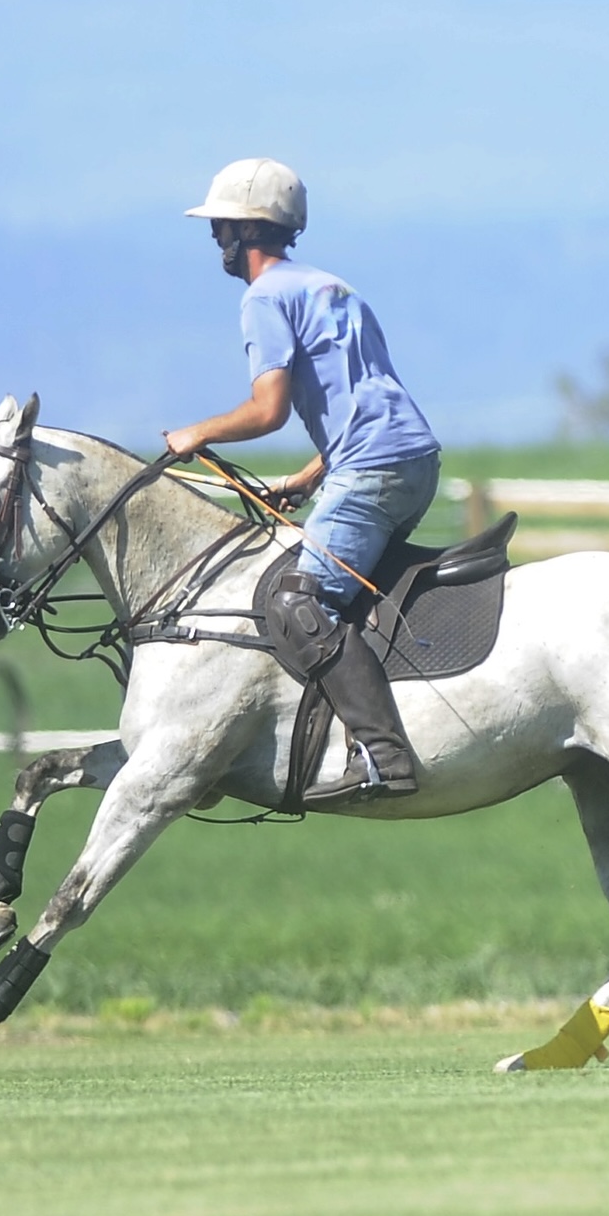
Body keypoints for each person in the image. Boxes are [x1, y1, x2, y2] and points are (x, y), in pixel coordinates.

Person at [163, 158, 440, 803]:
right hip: (412, 460)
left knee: (297, 602)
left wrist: (196, 433)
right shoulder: (333, 286)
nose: (214, 242)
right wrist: (314, 473)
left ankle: (383, 755)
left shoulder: (262, 298)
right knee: (345, 596)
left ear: (244, 231)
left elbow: (268, 410)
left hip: (372, 469)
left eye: (220, 228)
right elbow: (369, 397)